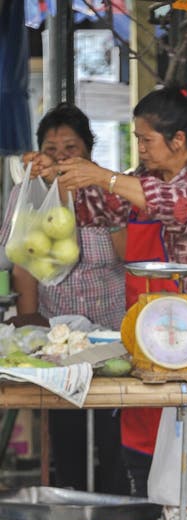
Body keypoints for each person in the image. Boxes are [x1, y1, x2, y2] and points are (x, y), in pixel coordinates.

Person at [57, 85, 187, 520]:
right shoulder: (142, 180)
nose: (141, 150)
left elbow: (172, 206)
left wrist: (104, 174)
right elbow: (99, 210)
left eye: (146, 139)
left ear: (179, 140)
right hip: (144, 336)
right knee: (142, 452)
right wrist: (61, 177)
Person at [0, 103, 127, 494]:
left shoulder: (109, 190)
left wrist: (97, 200)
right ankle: (75, 519)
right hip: (60, 341)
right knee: (68, 434)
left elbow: (129, 254)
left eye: (70, 147)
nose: (60, 157)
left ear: (88, 150)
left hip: (113, 335)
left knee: (116, 437)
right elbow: (20, 261)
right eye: (51, 149)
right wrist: (30, 323)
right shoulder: (29, 194)